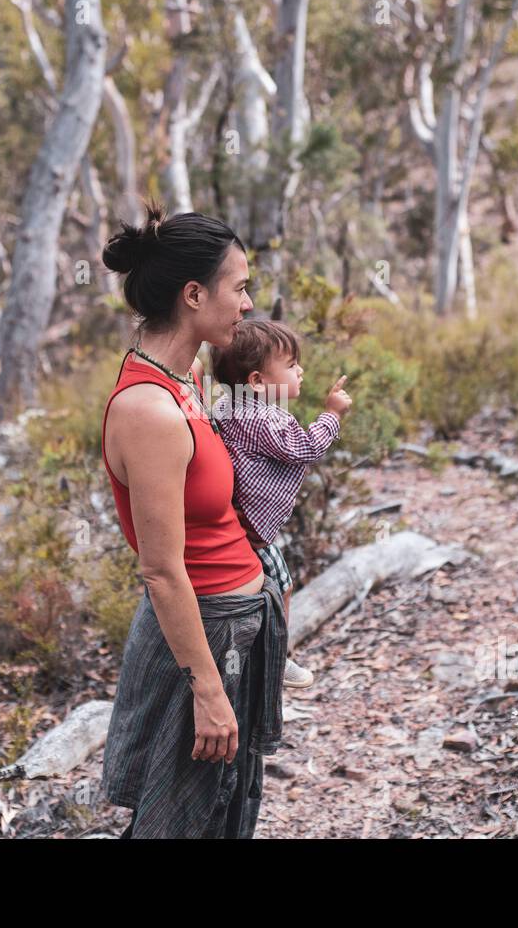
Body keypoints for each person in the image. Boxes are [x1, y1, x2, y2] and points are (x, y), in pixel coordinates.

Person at [98, 197, 287, 839]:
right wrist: (206, 687)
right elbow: (161, 571)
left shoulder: (188, 379)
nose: (247, 304)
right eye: (239, 288)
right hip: (202, 636)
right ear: (192, 294)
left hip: (239, 623)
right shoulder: (149, 410)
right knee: (178, 821)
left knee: (225, 809)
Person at [208, 319, 353, 689]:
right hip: (252, 526)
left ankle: (264, 653)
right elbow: (306, 448)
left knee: (264, 589)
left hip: (236, 516)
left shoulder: (227, 406)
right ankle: (278, 655)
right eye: (291, 366)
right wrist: (332, 414)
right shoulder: (264, 417)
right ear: (257, 381)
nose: (300, 371)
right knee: (282, 585)